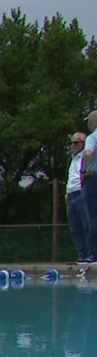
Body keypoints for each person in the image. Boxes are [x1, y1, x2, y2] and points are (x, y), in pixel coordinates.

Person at [67, 133, 92, 264]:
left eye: (76, 143)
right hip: (71, 193)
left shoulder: (87, 156)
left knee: (86, 224)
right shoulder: (72, 159)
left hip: (81, 192)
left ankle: (90, 254)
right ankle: (82, 255)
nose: (73, 145)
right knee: (75, 228)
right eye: (72, 143)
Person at [82, 110, 97, 261]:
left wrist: (83, 170)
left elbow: (88, 153)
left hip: (93, 178)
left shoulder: (92, 137)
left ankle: (93, 253)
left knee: (93, 216)